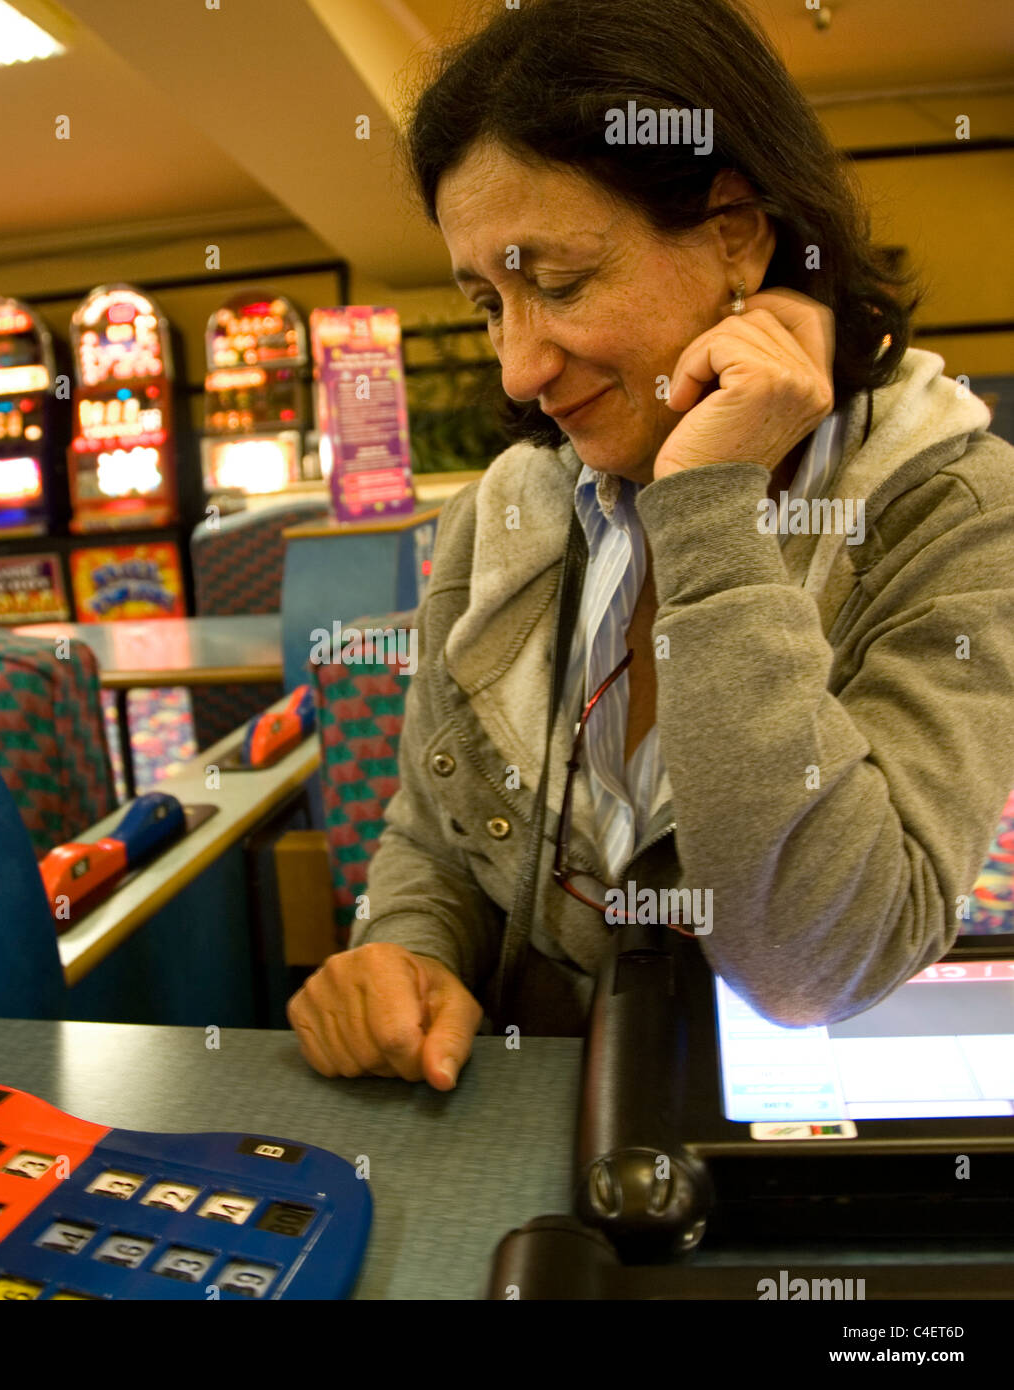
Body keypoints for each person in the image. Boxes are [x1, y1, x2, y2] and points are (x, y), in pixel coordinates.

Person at [288, 0, 1014, 1089]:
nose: (516, 369)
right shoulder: (509, 511)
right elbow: (435, 837)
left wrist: (708, 503)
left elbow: (816, 961)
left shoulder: (952, 508)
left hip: (789, 1127)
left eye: (561, 283)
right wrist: (407, 950)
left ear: (736, 232)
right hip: (525, 1120)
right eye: (488, 303)